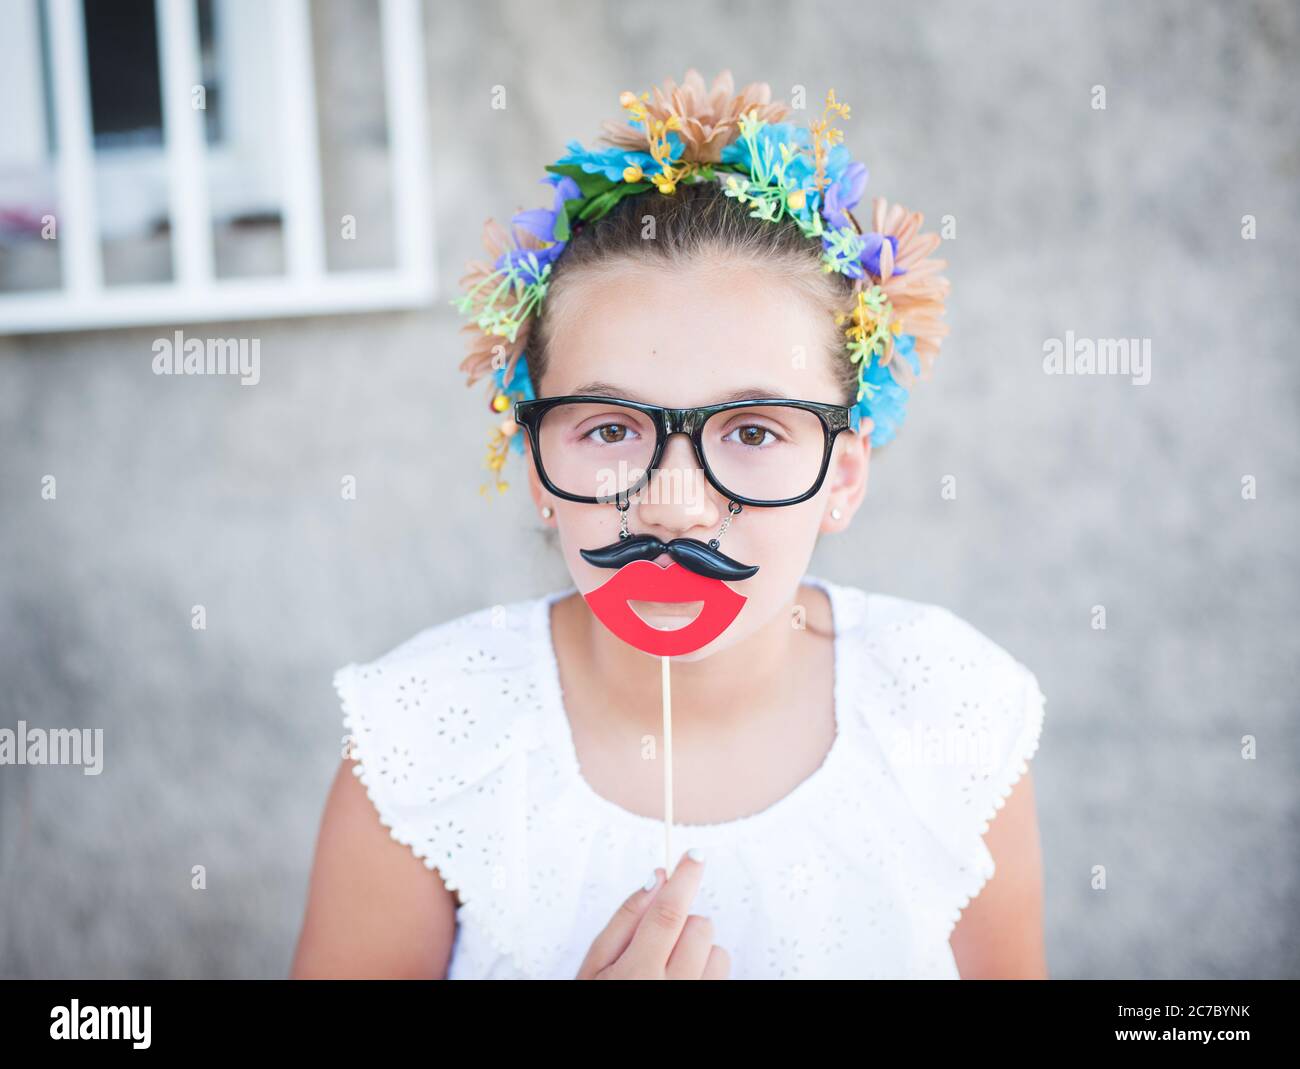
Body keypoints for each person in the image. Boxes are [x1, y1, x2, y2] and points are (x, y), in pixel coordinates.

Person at [290, 70, 1047, 980]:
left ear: (843, 477)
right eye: (610, 429)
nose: (674, 503)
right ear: (537, 464)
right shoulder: (421, 749)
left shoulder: (950, 718)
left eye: (755, 430)